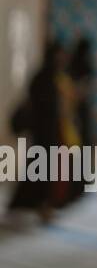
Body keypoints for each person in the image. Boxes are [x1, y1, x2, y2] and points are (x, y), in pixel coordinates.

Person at [6, 40, 67, 223]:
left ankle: (34, 204)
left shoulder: (53, 77)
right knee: (41, 170)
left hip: (48, 133)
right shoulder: (43, 77)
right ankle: (42, 206)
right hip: (42, 133)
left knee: (40, 169)